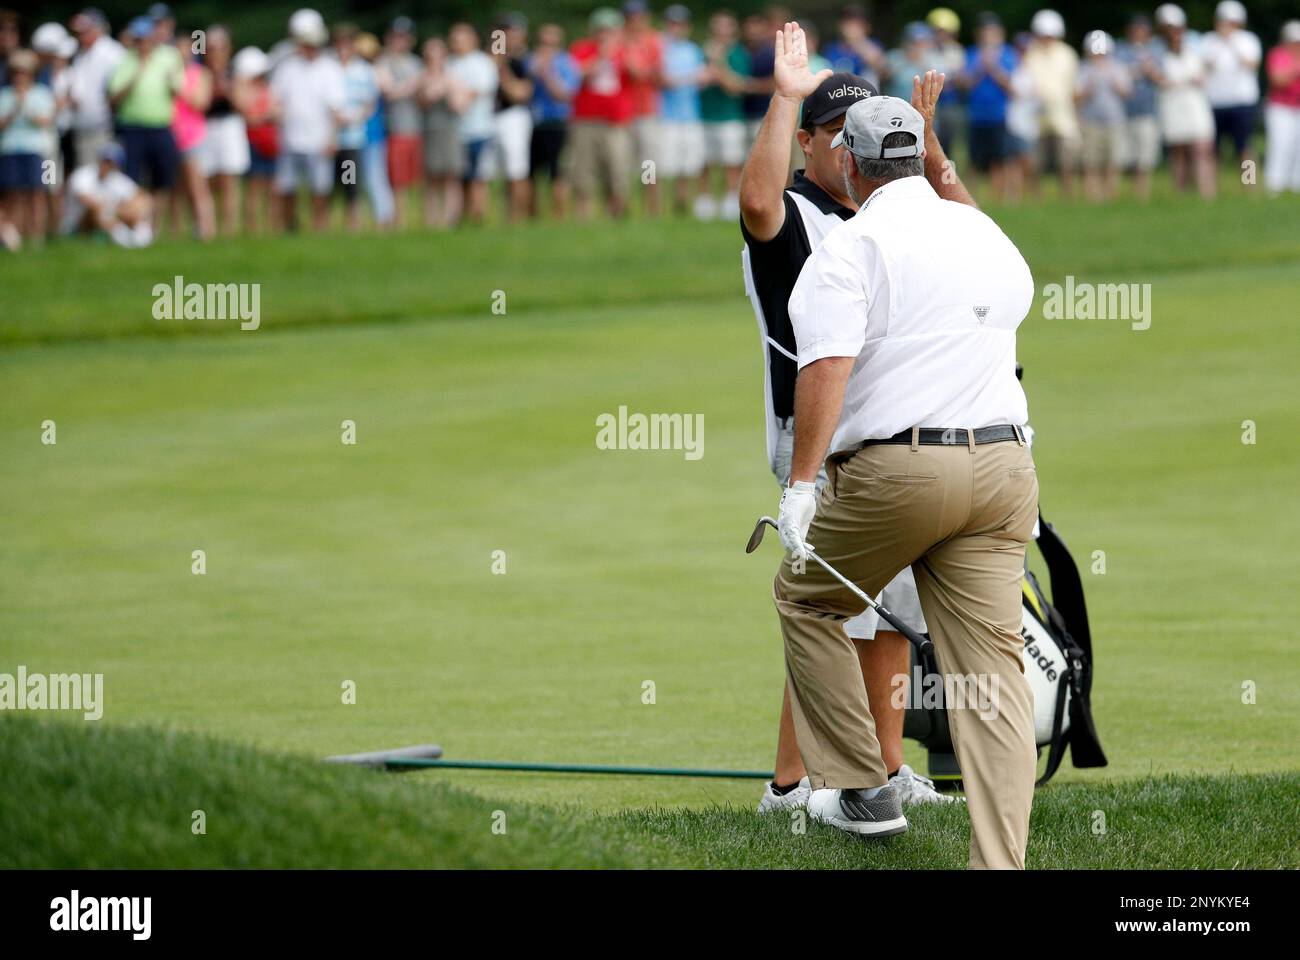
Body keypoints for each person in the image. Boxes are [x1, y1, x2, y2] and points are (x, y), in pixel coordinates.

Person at [775, 90, 1039, 868]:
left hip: (902, 471)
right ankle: (1000, 863)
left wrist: (799, 486)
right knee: (992, 679)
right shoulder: (982, 230)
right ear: (921, 155)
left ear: (850, 165)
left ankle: (864, 787)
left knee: (807, 597)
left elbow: (825, 367)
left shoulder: (849, 247)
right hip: (1005, 467)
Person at [739, 22, 975, 813]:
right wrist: (785, 96)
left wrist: (926, 144)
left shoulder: (887, 213)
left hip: (893, 436)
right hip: (820, 442)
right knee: (831, 613)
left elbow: (973, 233)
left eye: (857, 134)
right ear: (808, 142)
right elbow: (755, 201)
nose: (846, 147)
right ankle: (791, 784)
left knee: (888, 616)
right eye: (833, 132)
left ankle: (882, 765)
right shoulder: (795, 216)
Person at [271, 9, 345, 232]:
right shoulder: (286, 68)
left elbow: (336, 109)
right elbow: (276, 101)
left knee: (320, 189)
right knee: (287, 188)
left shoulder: (330, 69)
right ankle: (290, 227)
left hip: (319, 140)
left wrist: (332, 138)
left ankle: (319, 228)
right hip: (290, 139)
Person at [108, 15, 183, 230]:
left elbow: (177, 89)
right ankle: (135, 224)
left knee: (162, 180)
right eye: (139, 39)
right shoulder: (125, 60)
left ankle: (154, 226)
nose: (143, 44)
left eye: (146, 38)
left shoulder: (169, 56)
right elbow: (114, 98)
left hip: (160, 126)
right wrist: (136, 73)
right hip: (132, 128)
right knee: (131, 180)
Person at [569, 8, 635, 220]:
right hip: (585, 120)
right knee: (583, 172)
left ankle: (614, 216)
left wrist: (623, 54)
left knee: (617, 172)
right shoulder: (582, 49)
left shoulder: (626, 50)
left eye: (610, 30)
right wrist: (602, 55)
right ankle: (583, 217)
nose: (604, 35)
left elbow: (640, 74)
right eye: (601, 30)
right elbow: (576, 74)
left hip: (616, 122)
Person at [0, 48, 56, 245]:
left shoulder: (41, 94)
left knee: (37, 192)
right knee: (13, 193)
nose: (19, 77)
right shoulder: (5, 95)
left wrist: (25, 106)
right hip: (9, 149)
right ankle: (15, 235)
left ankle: (37, 236)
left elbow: (45, 121)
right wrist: (15, 108)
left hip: (37, 150)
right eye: (16, 72)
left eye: (23, 72)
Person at [1158, 10, 1216, 198]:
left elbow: (1203, 74)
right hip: (1174, 106)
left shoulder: (1196, 50)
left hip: (1196, 106)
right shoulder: (1161, 56)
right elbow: (1161, 80)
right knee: (1179, 151)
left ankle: (1208, 191)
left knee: (1202, 149)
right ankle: (1181, 192)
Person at [697, 9, 747, 220]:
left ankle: (729, 202)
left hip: (730, 117)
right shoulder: (702, 51)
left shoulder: (738, 54)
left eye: (725, 28)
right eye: (718, 28)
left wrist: (717, 66)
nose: (721, 32)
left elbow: (735, 87)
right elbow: (698, 82)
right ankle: (705, 203)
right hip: (705, 115)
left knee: (731, 162)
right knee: (704, 162)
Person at [1023, 9, 1079, 196]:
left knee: (1066, 161)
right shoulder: (1030, 54)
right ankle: (1035, 197)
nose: (1047, 39)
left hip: (1063, 115)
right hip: (1036, 115)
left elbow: (1073, 87)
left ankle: (1067, 196)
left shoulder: (1067, 55)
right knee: (1035, 161)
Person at [526, 22, 580, 218]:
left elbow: (564, 95)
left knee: (557, 173)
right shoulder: (529, 60)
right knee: (529, 173)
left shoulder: (566, 62)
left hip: (557, 122)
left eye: (551, 42)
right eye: (543, 41)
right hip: (531, 123)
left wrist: (547, 73)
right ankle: (531, 216)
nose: (546, 46)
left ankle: (558, 216)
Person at [960, 13, 1016, 200]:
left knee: (999, 159)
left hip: (999, 115)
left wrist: (993, 67)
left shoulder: (1007, 54)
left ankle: (999, 196)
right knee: (975, 159)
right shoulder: (971, 54)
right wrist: (980, 68)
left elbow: (1011, 86)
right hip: (976, 115)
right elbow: (965, 85)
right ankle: (971, 197)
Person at [446, 22, 497, 224]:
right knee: (459, 177)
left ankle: (478, 216)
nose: (456, 43)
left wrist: (460, 102)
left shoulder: (483, 62)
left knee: (478, 176)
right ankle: (459, 217)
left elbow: (479, 89)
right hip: (455, 130)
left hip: (480, 128)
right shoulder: (449, 63)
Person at [657, 4, 707, 215]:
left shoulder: (693, 50)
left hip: (690, 115)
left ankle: (680, 202)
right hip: (663, 116)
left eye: (680, 24)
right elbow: (663, 80)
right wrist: (691, 78)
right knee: (654, 164)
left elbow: (703, 80)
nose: (676, 27)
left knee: (686, 165)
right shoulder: (659, 47)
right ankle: (655, 204)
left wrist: (687, 79)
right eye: (672, 23)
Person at [200, 25, 248, 236]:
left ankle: (229, 229)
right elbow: (199, 104)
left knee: (229, 178)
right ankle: (209, 227)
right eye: (211, 48)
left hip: (229, 125)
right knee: (207, 180)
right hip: (206, 126)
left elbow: (242, 104)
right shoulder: (200, 72)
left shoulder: (235, 72)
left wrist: (226, 89)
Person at [1201, 0, 1261, 166]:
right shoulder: (1208, 40)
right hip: (1214, 100)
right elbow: (1204, 66)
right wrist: (1220, 43)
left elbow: (1252, 64)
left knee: (1245, 147)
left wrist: (1231, 42)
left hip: (1242, 100)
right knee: (1212, 148)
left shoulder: (1248, 40)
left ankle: (1249, 185)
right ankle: (1210, 189)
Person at [487, 13, 534, 222]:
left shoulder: (522, 61)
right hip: (488, 118)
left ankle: (515, 218)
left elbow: (519, 93)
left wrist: (500, 66)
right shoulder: (487, 58)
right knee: (488, 173)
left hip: (513, 117)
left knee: (516, 171)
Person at [377, 16, 422, 227]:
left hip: (415, 127)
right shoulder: (382, 62)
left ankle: (416, 220)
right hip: (392, 129)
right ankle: (397, 221)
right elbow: (389, 93)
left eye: (404, 37)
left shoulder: (416, 63)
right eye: (396, 37)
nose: (399, 41)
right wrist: (414, 84)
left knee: (413, 179)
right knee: (395, 179)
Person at [61, 140, 152, 246]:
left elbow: (143, 198)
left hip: (108, 215)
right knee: (97, 210)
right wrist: (115, 209)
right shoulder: (83, 174)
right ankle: (121, 236)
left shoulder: (117, 179)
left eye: (111, 163)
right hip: (77, 222)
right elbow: (86, 201)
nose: (107, 166)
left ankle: (136, 233)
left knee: (133, 206)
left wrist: (128, 209)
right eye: (106, 161)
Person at [1075, 30, 1130, 203]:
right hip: (1090, 121)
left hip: (1114, 120)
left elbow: (1126, 92)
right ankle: (1093, 196)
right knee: (1091, 161)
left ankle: (1111, 195)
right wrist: (1088, 87)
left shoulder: (1118, 68)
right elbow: (1076, 97)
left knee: (1113, 160)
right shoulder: (1084, 69)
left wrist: (1114, 82)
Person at [170, 31, 215, 239]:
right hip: (171, 135)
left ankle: (206, 228)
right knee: (175, 188)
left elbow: (200, 103)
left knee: (197, 185)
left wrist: (179, 88)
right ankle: (176, 230)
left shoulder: (200, 73)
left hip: (193, 136)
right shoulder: (168, 73)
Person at [1115, 15, 1164, 202]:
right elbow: (1116, 74)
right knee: (1126, 156)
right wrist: (1137, 70)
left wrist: (1147, 70)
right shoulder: (1121, 50)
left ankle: (1141, 193)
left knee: (1145, 156)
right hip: (1124, 112)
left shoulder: (1156, 49)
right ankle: (1119, 193)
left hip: (1148, 111)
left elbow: (1160, 76)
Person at [66, 9, 124, 168]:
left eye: (85, 31)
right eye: (79, 32)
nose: (80, 36)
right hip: (84, 126)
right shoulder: (80, 53)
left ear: (98, 29)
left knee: (104, 174)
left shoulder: (112, 52)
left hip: (106, 127)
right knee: (87, 175)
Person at [333, 23, 376, 233]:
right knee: (328, 186)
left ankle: (353, 224)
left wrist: (355, 117)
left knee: (350, 183)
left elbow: (370, 103)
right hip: (329, 137)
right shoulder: (328, 68)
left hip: (351, 137)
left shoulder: (363, 71)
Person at [622, 1, 663, 216]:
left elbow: (656, 74)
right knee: (623, 165)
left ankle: (651, 209)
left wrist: (637, 68)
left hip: (646, 111)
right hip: (622, 113)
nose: (636, 20)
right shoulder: (618, 40)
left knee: (648, 164)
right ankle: (623, 210)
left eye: (639, 16)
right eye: (631, 16)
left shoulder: (653, 41)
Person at [232, 46, 278, 234]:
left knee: (272, 188)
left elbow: (276, 112)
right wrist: (266, 115)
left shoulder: (268, 87)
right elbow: (249, 117)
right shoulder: (242, 88)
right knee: (254, 188)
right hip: (253, 143)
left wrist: (264, 115)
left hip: (271, 143)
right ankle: (253, 229)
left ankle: (271, 227)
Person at [419, 36, 464, 228]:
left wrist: (447, 88)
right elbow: (422, 102)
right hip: (429, 130)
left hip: (449, 130)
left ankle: (449, 221)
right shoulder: (421, 77)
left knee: (451, 176)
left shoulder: (453, 77)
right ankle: (431, 221)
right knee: (431, 177)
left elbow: (459, 106)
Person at [356, 31, 395, 229]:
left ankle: (384, 218)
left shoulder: (378, 70)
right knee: (355, 179)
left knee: (375, 177)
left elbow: (387, 90)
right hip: (353, 135)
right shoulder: (354, 71)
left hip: (373, 134)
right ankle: (358, 220)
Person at [1263, 20, 1300, 193]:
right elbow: (1277, 80)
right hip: (1280, 107)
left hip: (1297, 107)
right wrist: (1295, 69)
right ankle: (1274, 184)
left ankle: (1296, 184)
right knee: (1280, 145)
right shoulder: (1277, 54)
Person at [925, 7, 967, 155]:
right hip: (929, 100)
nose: (941, 35)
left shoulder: (957, 51)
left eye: (944, 32)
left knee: (947, 140)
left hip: (949, 101)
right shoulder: (926, 50)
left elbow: (960, 77)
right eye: (937, 31)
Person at [822, 5, 883, 87]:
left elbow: (882, 70)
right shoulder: (831, 48)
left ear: (866, 26)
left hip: (866, 95)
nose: (851, 27)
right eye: (848, 22)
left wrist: (858, 41)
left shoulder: (873, 45)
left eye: (857, 23)